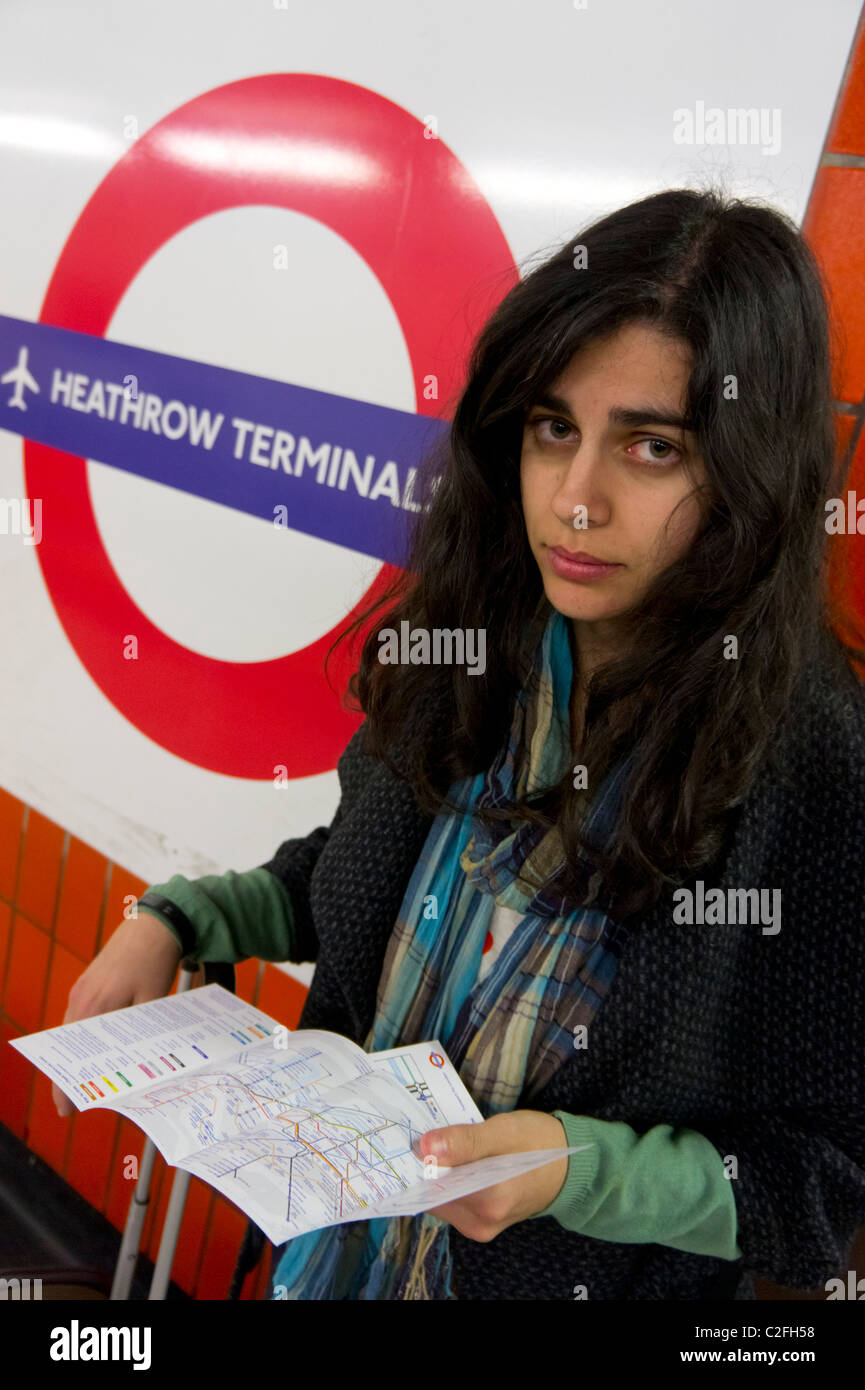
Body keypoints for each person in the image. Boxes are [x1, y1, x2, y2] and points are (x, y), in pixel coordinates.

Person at [56, 186, 865, 1301]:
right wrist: (180, 918)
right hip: (336, 1263)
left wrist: (572, 1172)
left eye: (650, 447)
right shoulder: (474, 633)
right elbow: (352, 878)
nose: (575, 502)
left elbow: (818, 1181)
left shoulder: (810, 764)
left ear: (747, 469)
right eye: (552, 429)